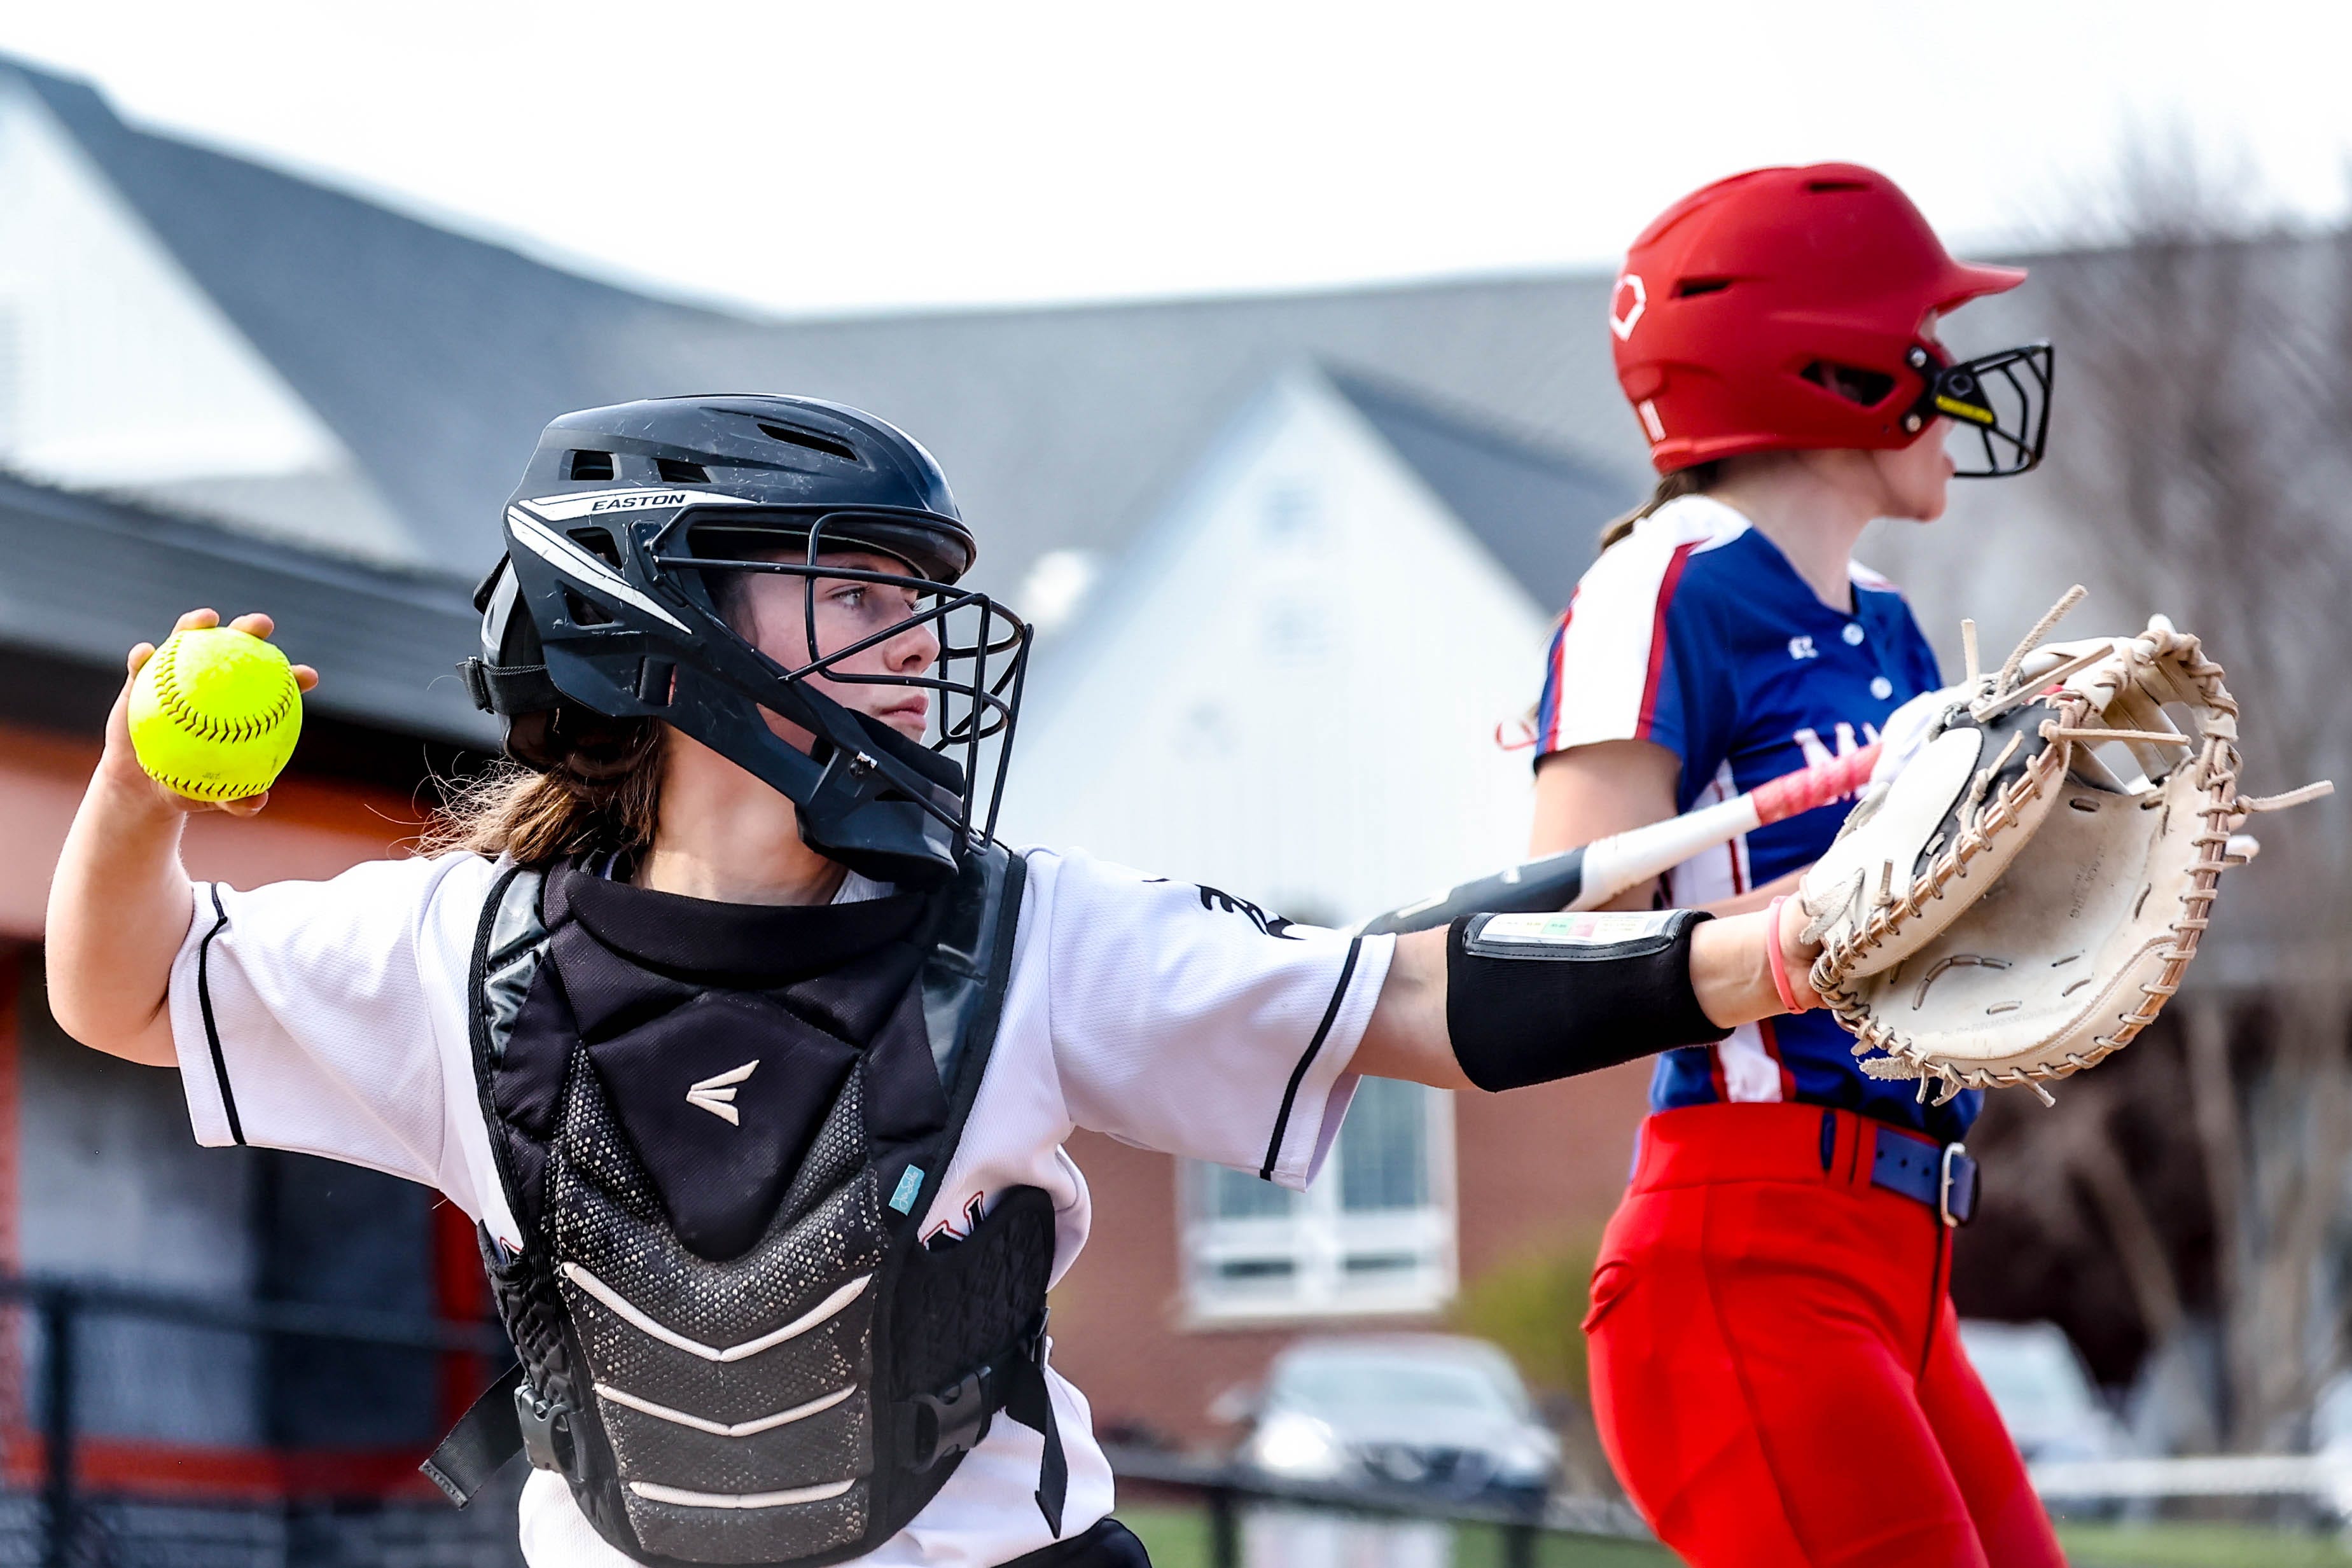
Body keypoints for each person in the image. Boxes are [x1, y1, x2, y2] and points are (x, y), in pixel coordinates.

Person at [47, 394, 1821, 1568]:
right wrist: (137, 784)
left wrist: (1775, 956)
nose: (915, 649)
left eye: (917, 599)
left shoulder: (1033, 932)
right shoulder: (461, 951)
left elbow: (1412, 1005)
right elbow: (119, 994)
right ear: (658, 623)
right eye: (854, 593)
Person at [1531, 167, 2067, 1567]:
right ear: (1825, 366)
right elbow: (1552, 954)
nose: (1952, 376)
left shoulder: (1885, 623)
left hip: (1904, 1253)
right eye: (1921, 342)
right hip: (1746, 1252)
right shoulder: (1666, 583)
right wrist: (1819, 917)